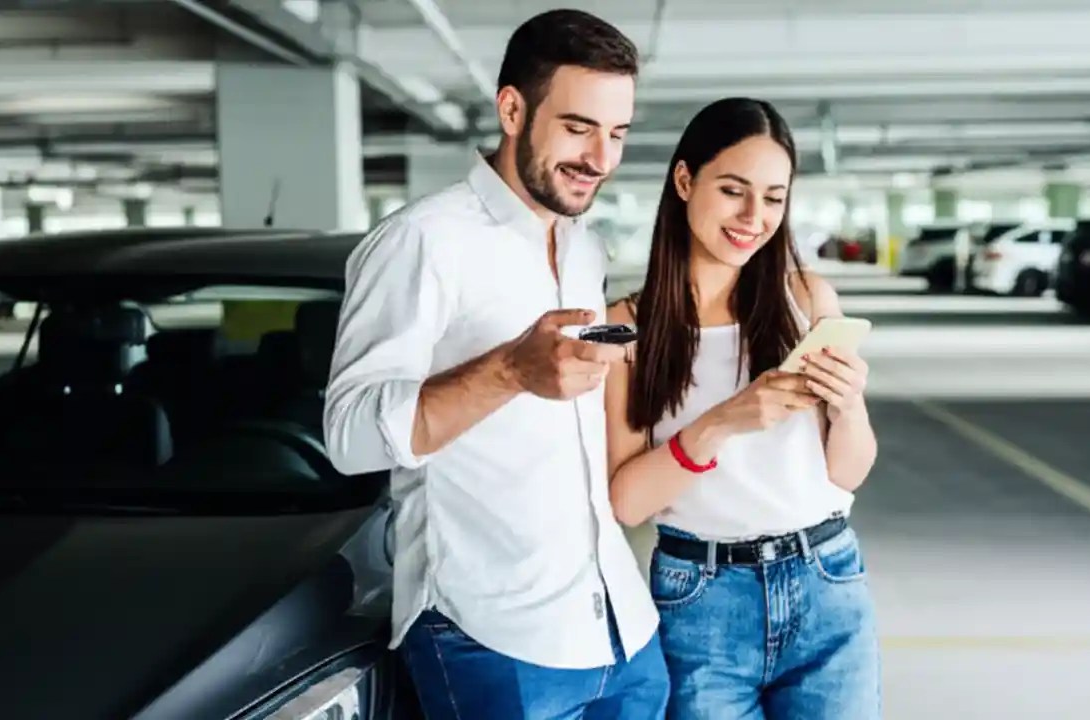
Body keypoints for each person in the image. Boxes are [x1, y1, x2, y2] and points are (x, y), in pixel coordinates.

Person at [323, 9, 669, 719]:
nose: (600, 157)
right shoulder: (422, 242)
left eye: (618, 134)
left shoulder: (584, 248)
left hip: (621, 633)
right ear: (512, 108)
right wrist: (510, 370)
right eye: (578, 127)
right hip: (490, 637)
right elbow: (348, 436)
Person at [604, 97, 882, 719]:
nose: (755, 217)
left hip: (827, 579)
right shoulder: (629, 325)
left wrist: (850, 405)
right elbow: (626, 501)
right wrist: (724, 421)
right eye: (734, 190)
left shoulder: (806, 298)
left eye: (775, 197)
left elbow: (848, 472)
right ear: (684, 180)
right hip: (701, 600)